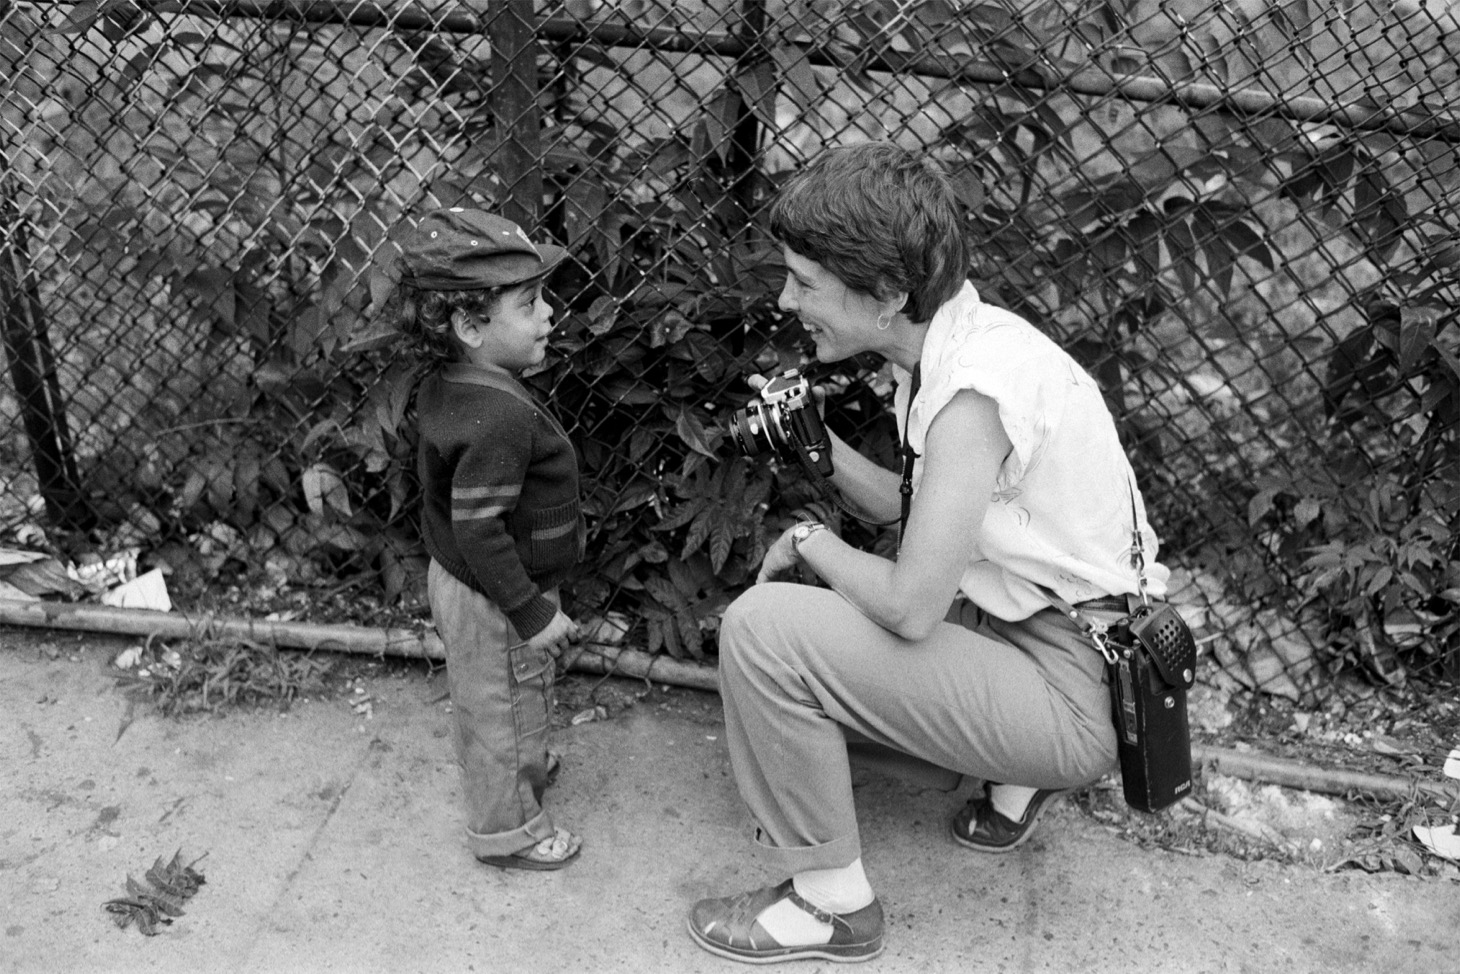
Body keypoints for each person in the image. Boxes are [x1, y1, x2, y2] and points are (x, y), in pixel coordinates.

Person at [686, 142, 1170, 962]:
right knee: (831, 631)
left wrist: (809, 542)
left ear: (886, 297)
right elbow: (927, 513)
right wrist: (818, 447)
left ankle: (832, 906)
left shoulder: (970, 396)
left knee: (766, 631)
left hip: (1067, 687)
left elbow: (912, 604)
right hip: (1049, 632)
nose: (785, 297)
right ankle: (1011, 784)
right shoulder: (960, 344)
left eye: (804, 281)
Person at [383, 207, 586, 870]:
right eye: (529, 303)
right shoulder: (498, 416)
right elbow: (478, 526)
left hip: (479, 581)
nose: (549, 313)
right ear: (470, 326)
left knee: (510, 695)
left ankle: (523, 763)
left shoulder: (461, 386)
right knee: (499, 708)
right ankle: (510, 831)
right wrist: (530, 612)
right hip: (493, 593)